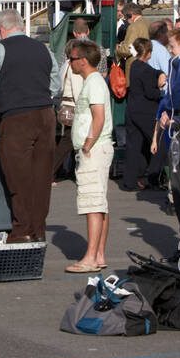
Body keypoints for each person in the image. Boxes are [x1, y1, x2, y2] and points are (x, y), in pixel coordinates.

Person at [0, 9, 60, 243]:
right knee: (41, 177)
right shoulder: (43, 48)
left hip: (16, 116)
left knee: (18, 176)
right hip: (45, 114)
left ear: (1, 29)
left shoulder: (0, 49)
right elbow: (54, 83)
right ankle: (38, 228)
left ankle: (22, 229)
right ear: (22, 25)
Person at [64, 39, 114, 273]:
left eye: (72, 58)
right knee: (99, 203)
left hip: (94, 150)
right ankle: (98, 255)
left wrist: (87, 144)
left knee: (92, 204)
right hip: (98, 148)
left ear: (83, 61)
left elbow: (99, 116)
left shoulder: (93, 82)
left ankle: (91, 257)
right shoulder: (95, 81)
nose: (70, 62)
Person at [121, 39, 160, 193]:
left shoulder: (134, 66)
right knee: (156, 143)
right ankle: (153, 178)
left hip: (132, 109)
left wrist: (158, 73)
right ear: (149, 53)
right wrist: (162, 92)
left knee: (133, 146)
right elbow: (151, 93)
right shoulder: (147, 70)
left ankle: (129, 181)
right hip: (146, 110)